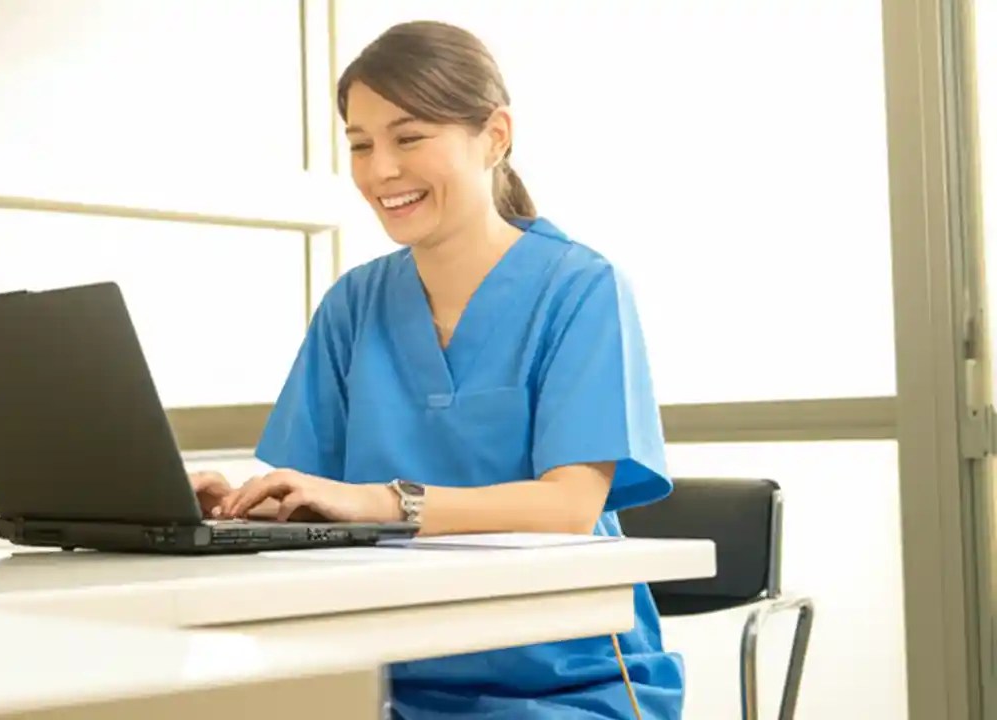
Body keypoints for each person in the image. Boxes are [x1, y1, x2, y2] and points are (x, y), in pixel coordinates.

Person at [188, 19, 682, 720]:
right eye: (360, 145)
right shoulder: (354, 304)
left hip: (566, 683)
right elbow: (317, 495)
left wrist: (386, 503)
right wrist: (237, 507)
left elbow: (570, 507)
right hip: (382, 680)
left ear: (496, 135)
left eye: (408, 137)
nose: (380, 169)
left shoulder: (580, 288)